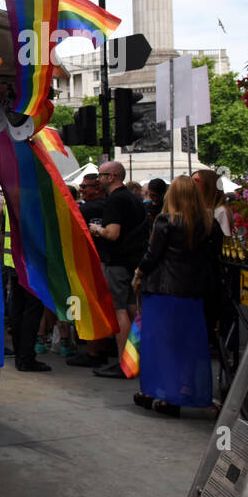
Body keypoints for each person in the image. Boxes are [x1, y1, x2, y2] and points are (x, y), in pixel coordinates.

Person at [131, 176, 222, 415]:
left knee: (161, 344)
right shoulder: (209, 223)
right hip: (193, 292)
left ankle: (158, 392)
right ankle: (182, 391)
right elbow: (214, 257)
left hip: (163, 290)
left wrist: (138, 273)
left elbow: (153, 255)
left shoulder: (166, 221)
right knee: (187, 345)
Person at [90, 161, 148, 380]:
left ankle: (124, 361)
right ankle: (137, 358)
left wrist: (97, 229)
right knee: (133, 310)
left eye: (101, 175)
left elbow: (113, 233)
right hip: (133, 262)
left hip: (117, 262)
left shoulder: (115, 200)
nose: (98, 179)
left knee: (119, 310)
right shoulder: (134, 198)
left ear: (112, 176)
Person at [193, 168, 233, 237]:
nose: (192, 185)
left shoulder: (220, 211)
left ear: (209, 185)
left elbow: (225, 237)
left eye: (196, 181)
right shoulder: (198, 209)